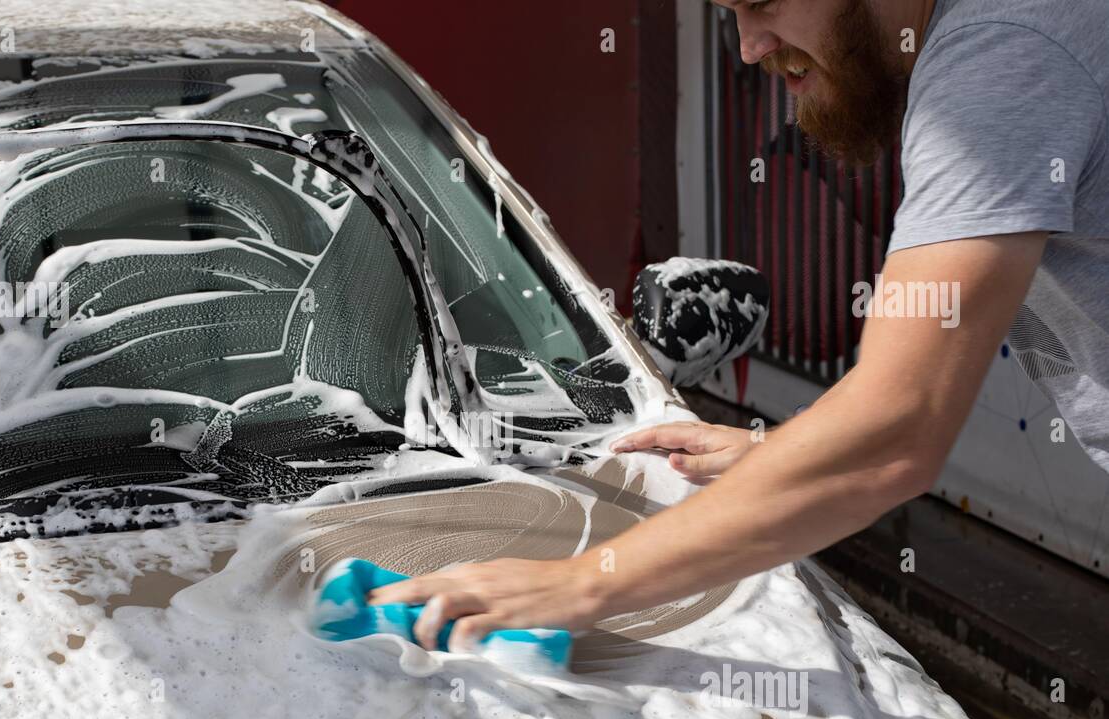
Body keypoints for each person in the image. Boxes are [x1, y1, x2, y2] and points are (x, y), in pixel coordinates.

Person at [370, 0, 1108, 649]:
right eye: (729, 15)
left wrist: (580, 586)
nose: (751, 46)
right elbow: (905, 404)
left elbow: (900, 426)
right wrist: (794, 451)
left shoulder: (1004, 56)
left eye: (762, 3)